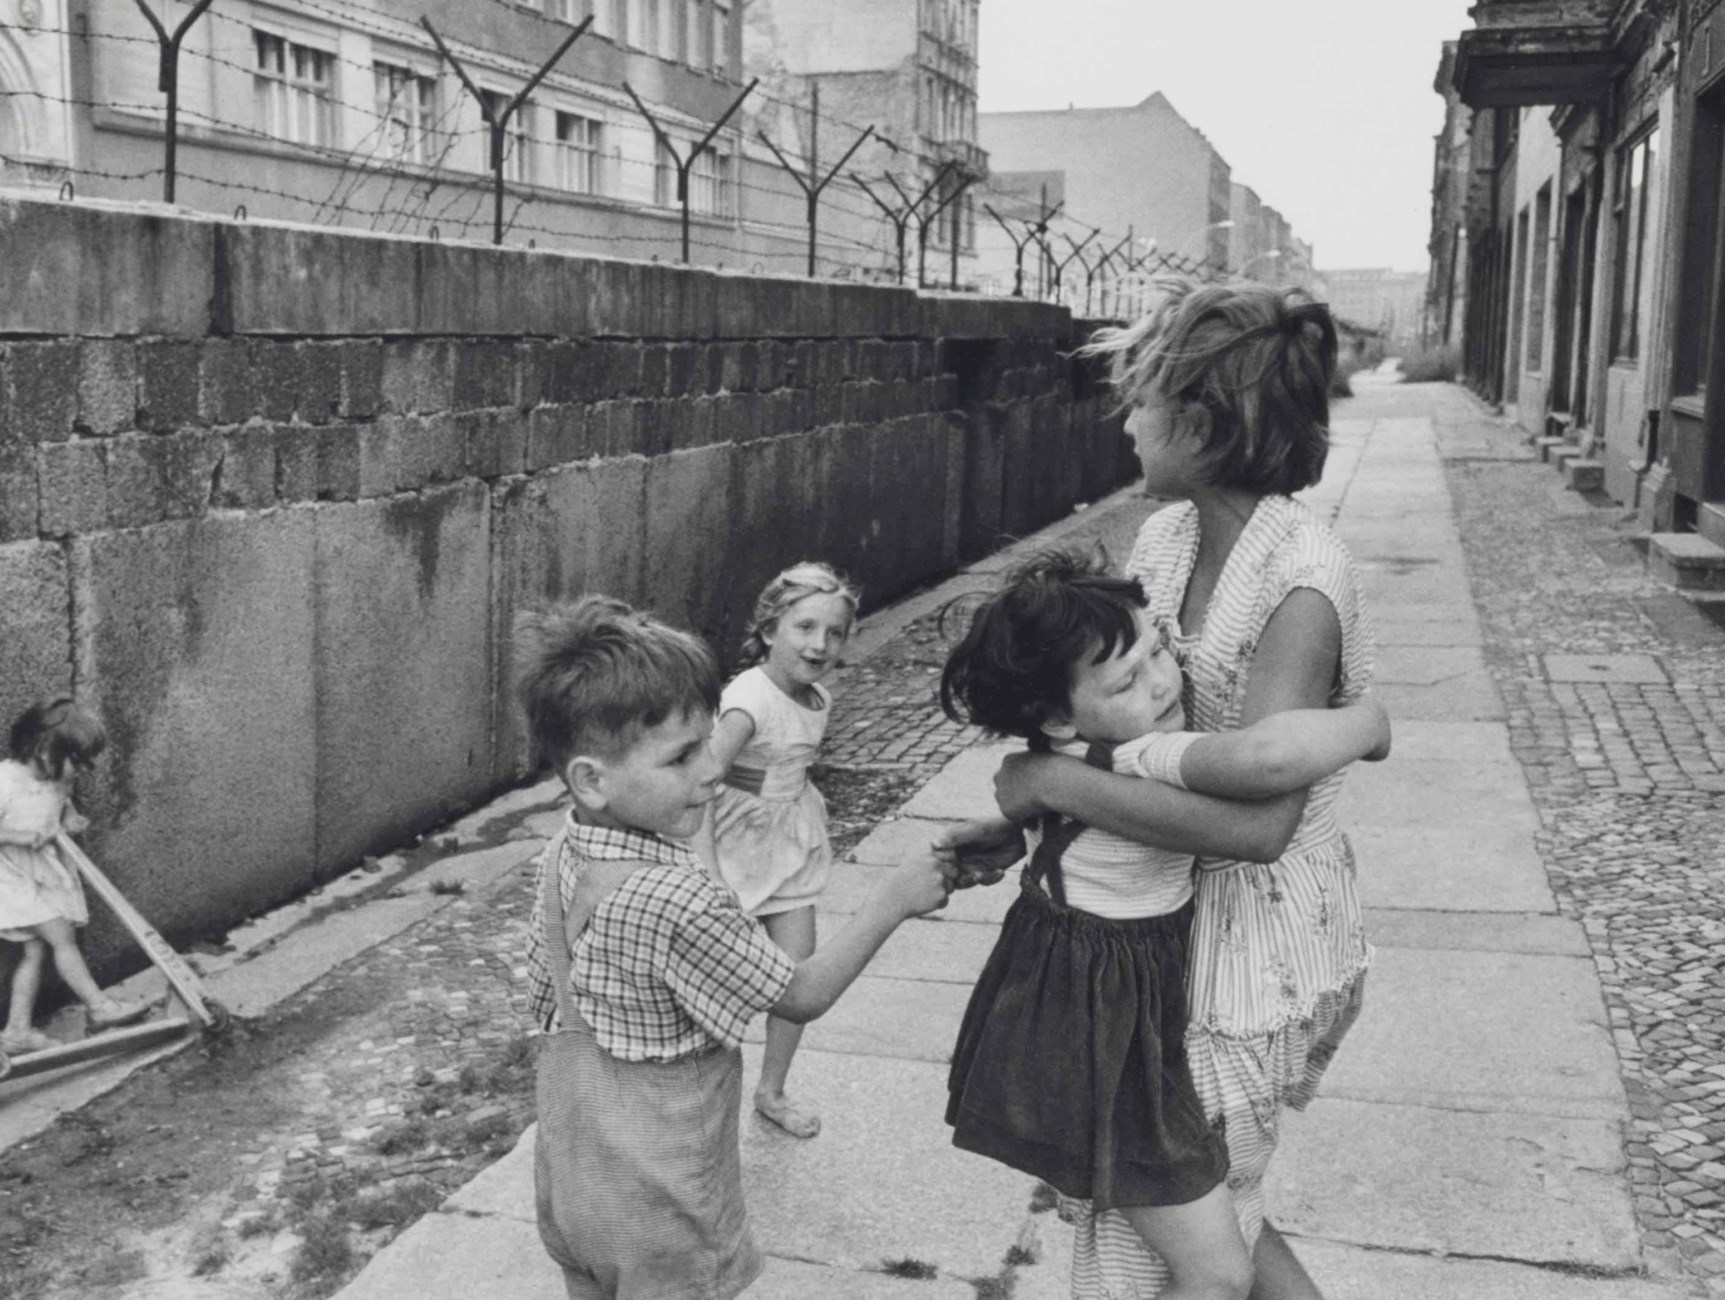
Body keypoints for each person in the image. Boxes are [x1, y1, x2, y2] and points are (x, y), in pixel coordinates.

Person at [941, 281, 1375, 1300]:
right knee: (1203, 1211)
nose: (1125, 421)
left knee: (1165, 1241)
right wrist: (1039, 821)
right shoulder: (1166, 539)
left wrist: (1048, 780)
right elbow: (1119, 740)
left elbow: (1260, 827)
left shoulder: (1299, 584)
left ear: (1201, 424)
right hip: (1165, 924)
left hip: (1254, 949)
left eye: (1139, 399)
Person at [517, 596, 954, 1300]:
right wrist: (895, 898)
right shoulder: (677, 897)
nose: (711, 771)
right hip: (661, 1202)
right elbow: (801, 993)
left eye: (707, 743)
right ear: (592, 780)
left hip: (574, 1179)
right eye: (681, 757)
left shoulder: (563, 851)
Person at [698, 562, 859, 1139]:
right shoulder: (748, 699)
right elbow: (704, 781)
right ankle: (699, 1097)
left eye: (834, 633)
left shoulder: (818, 698)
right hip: (732, 849)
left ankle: (772, 1090)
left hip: (789, 846)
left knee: (797, 976)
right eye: (804, 627)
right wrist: (708, 872)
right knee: (716, 983)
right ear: (770, 630)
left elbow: (791, 761)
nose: (819, 644)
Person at [0, 698, 150, 1055]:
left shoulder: (55, 779)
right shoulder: (0, 785)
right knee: (62, 936)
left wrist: (68, 821)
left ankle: (16, 1033)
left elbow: (58, 806)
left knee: (34, 951)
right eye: (76, 760)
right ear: (43, 749)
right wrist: (17, 837)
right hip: (7, 878)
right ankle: (100, 1007)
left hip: (37, 877)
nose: (81, 771)